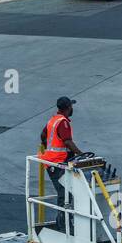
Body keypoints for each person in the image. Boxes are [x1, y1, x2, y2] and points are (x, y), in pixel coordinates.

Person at [39, 96, 83, 229]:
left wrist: (49, 149)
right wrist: (81, 154)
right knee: (65, 193)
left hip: (53, 162)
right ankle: (64, 225)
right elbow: (67, 141)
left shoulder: (53, 120)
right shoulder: (63, 122)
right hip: (57, 163)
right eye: (71, 106)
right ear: (68, 108)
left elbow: (42, 135)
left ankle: (63, 222)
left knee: (65, 192)